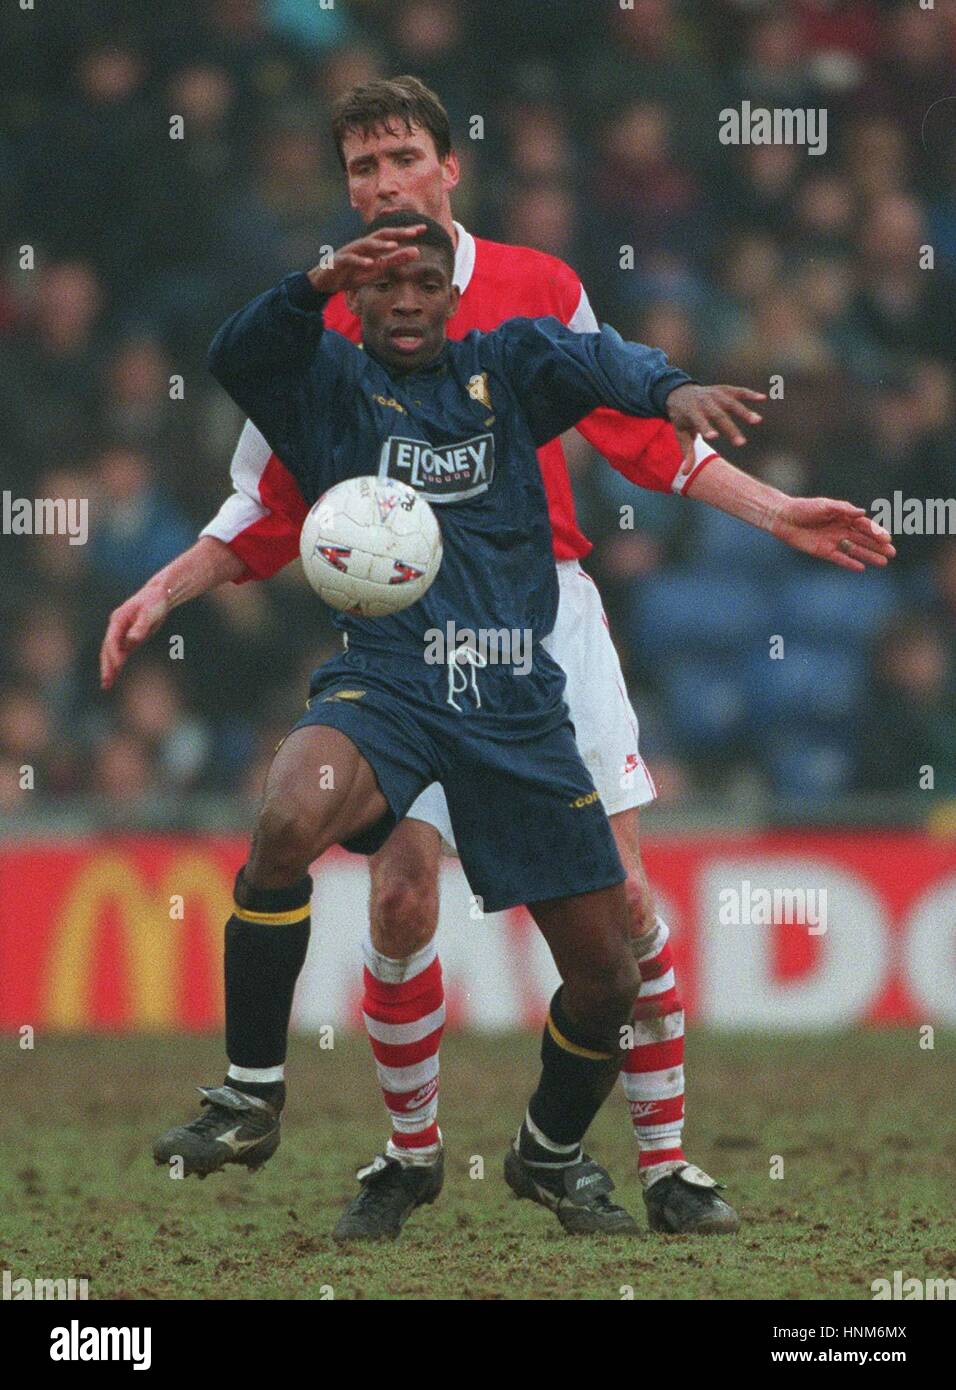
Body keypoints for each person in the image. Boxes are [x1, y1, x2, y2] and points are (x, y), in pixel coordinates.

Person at [100, 77, 895, 1241]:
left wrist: (771, 511)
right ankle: (406, 1154)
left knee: (617, 909)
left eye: (401, 159)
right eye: (360, 170)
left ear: (447, 167)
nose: (382, 184)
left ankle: (656, 1164)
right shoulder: (327, 320)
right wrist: (165, 583)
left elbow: (634, 418)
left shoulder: (535, 295)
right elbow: (271, 508)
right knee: (403, 892)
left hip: (541, 622)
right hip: (401, 636)